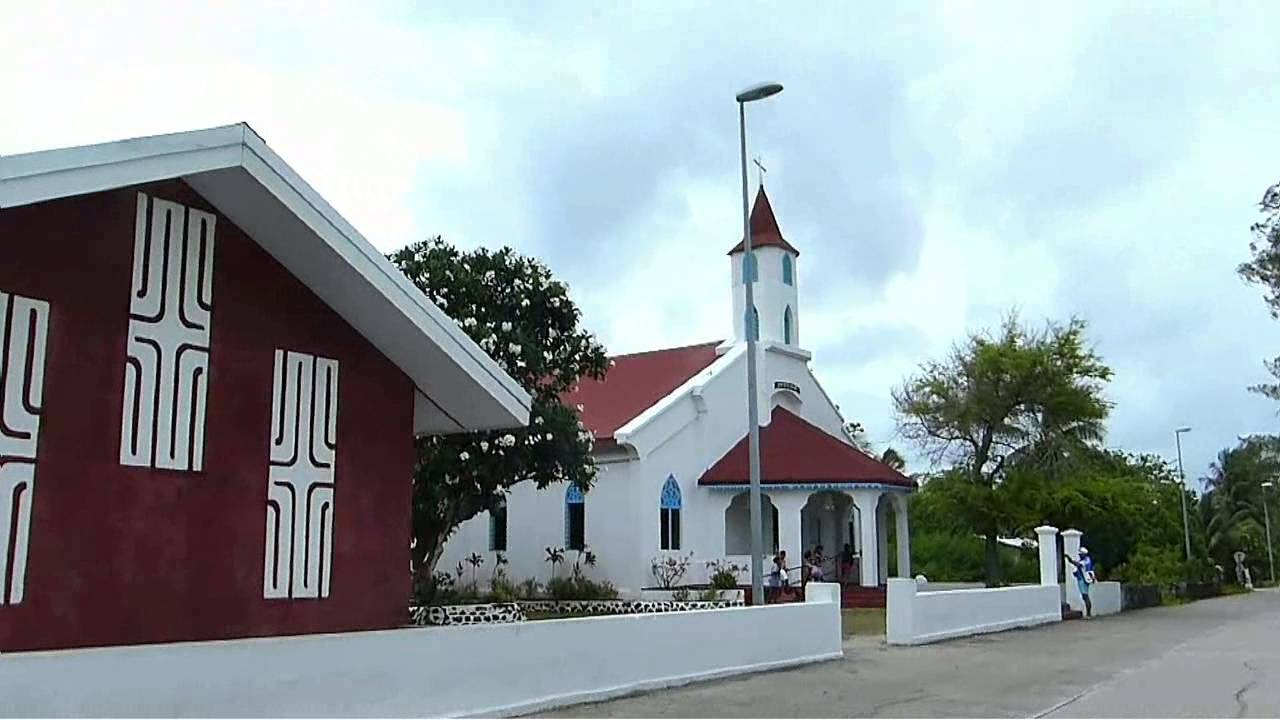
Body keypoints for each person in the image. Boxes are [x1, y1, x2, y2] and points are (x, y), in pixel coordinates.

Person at [1065, 546, 1096, 618]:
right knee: (1084, 596)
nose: (1079, 555)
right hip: (1082, 579)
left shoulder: (1086, 560)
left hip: (1083, 580)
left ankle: (1088, 614)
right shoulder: (1085, 560)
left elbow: (1077, 564)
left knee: (1085, 596)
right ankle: (1088, 614)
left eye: (1080, 554)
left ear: (1084, 554)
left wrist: (1070, 559)